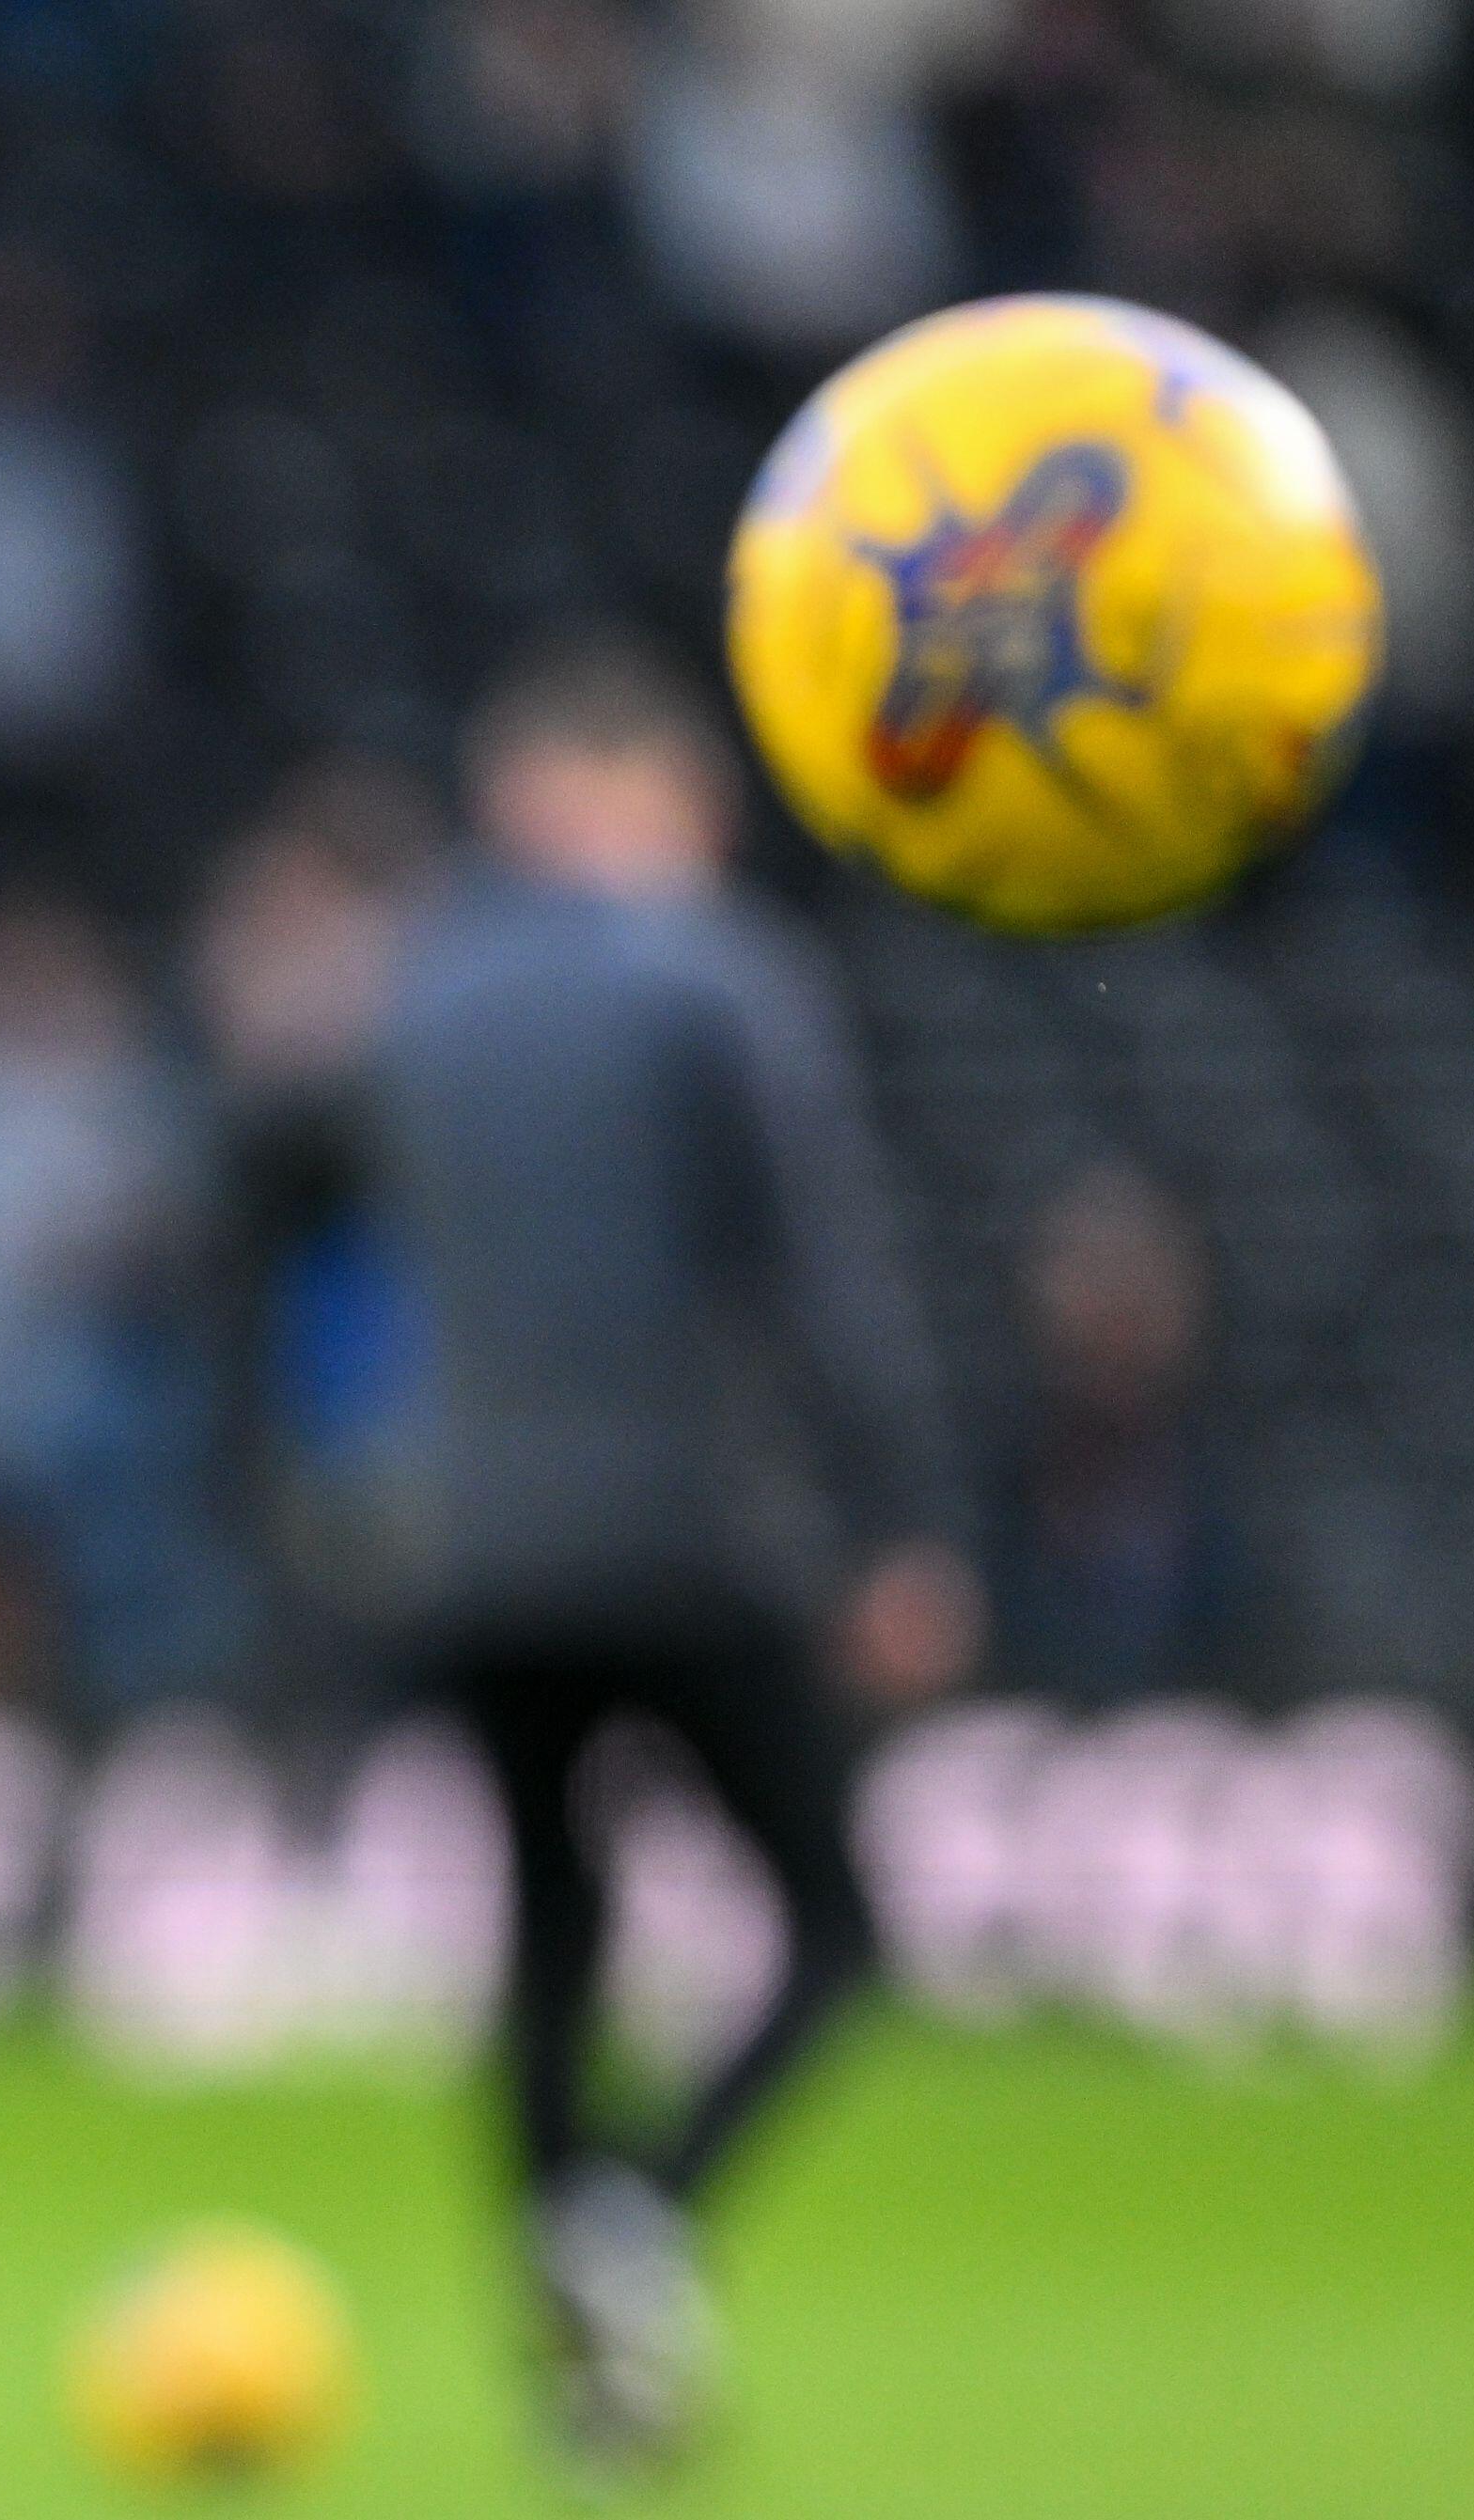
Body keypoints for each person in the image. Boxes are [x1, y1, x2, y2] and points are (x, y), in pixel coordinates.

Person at [373, 642, 977, 2471]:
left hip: (470, 1543)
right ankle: (637, 2219)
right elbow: (824, 1274)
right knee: (832, 1921)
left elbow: (283, 1205)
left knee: (553, 1931)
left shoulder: (417, 996)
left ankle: (587, 2376)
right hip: (688, 1534)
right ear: (640, 786)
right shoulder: (717, 973)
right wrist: (900, 1523)